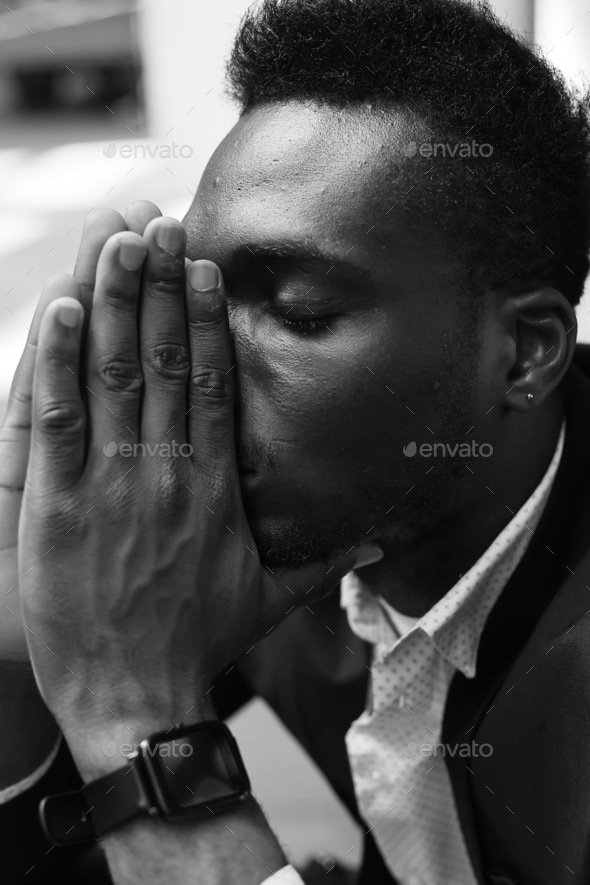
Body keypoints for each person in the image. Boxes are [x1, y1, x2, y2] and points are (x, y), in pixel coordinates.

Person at [1, 0, 590, 883]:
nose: (202, 369)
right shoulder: (282, 532)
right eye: (194, 294)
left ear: (524, 352)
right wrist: (29, 639)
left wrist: (139, 717)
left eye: (299, 310)